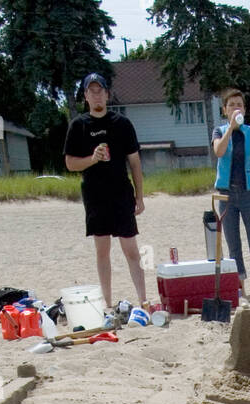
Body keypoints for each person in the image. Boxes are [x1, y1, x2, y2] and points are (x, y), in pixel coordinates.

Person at [64, 73, 149, 311]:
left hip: (121, 193)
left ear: (107, 94)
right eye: (91, 91)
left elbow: (135, 162)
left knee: (131, 249)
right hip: (95, 195)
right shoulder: (78, 125)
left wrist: (140, 196)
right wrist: (93, 159)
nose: (96, 94)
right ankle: (108, 303)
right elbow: (70, 163)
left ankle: (143, 300)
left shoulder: (122, 124)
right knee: (102, 250)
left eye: (100, 90)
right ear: (85, 96)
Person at [211, 89, 250, 296]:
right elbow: (219, 151)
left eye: (240, 105)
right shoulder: (219, 131)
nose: (236, 108)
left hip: (249, 193)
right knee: (233, 244)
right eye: (232, 104)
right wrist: (230, 129)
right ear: (225, 109)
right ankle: (240, 287)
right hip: (226, 195)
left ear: (245, 109)